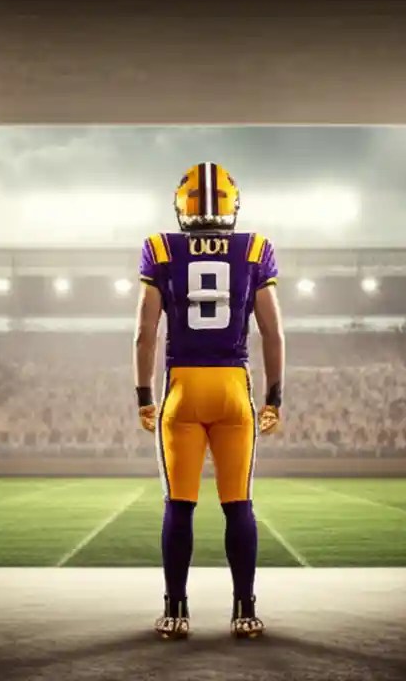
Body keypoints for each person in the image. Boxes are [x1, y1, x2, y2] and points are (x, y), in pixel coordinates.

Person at [133, 162, 285, 640]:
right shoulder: (255, 248)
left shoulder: (160, 248)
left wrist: (143, 395)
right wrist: (275, 397)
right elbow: (273, 333)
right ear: (231, 205)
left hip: (182, 389)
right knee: (238, 503)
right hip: (232, 389)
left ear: (182, 206)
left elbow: (144, 335)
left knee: (179, 505)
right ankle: (245, 610)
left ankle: (175, 610)